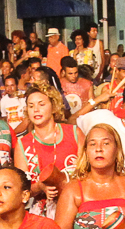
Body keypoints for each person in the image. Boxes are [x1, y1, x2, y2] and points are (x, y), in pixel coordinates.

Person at [12, 84, 79, 219]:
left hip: (78, 205)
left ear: (53, 106)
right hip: (44, 214)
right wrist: (40, 187)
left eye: (41, 104)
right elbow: (21, 190)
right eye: (31, 106)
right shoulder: (23, 144)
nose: (36, 110)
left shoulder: (74, 133)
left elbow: (90, 171)